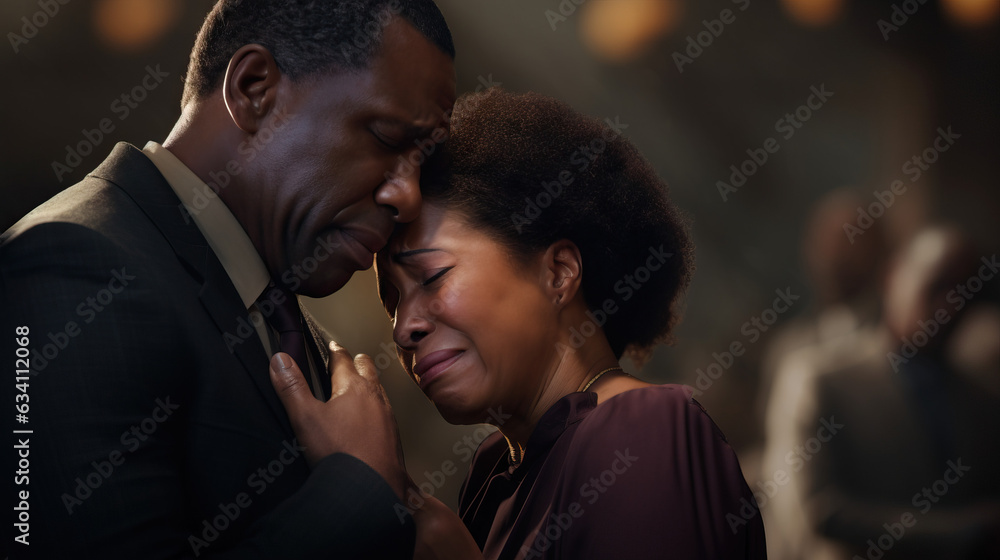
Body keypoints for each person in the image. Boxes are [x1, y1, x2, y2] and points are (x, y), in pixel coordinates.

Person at [1, 1, 455, 557]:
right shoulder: (77, 268)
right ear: (254, 87)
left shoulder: (287, 325)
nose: (406, 197)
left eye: (422, 164)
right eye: (386, 137)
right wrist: (359, 489)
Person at [370, 88, 767, 559]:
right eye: (392, 302)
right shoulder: (494, 471)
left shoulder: (640, 433)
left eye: (432, 277)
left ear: (559, 271)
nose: (402, 329)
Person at [760, 226, 1000, 559]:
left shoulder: (983, 401)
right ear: (893, 277)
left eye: (966, 292)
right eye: (939, 285)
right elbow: (817, 514)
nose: (952, 305)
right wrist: (962, 533)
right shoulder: (818, 379)